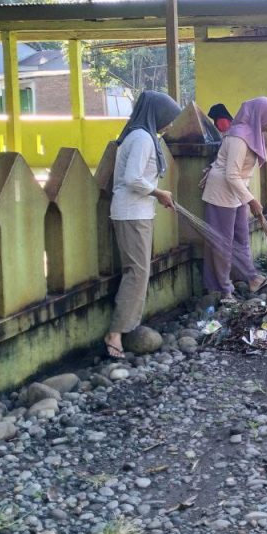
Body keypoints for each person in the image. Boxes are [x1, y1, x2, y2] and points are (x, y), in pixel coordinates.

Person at [106, 90, 182, 358]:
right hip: (131, 213)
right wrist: (159, 193)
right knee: (137, 272)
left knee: (139, 271)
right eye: (168, 118)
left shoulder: (143, 136)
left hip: (138, 212)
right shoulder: (141, 138)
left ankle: (129, 325)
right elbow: (133, 178)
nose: (170, 124)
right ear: (156, 114)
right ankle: (116, 332)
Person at [201, 96, 267, 300]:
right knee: (222, 244)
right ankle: (222, 288)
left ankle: (251, 277)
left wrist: (246, 198)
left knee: (241, 239)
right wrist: (251, 200)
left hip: (236, 194)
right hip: (221, 194)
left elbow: (240, 175)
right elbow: (231, 174)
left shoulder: (251, 135)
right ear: (258, 116)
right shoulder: (238, 137)